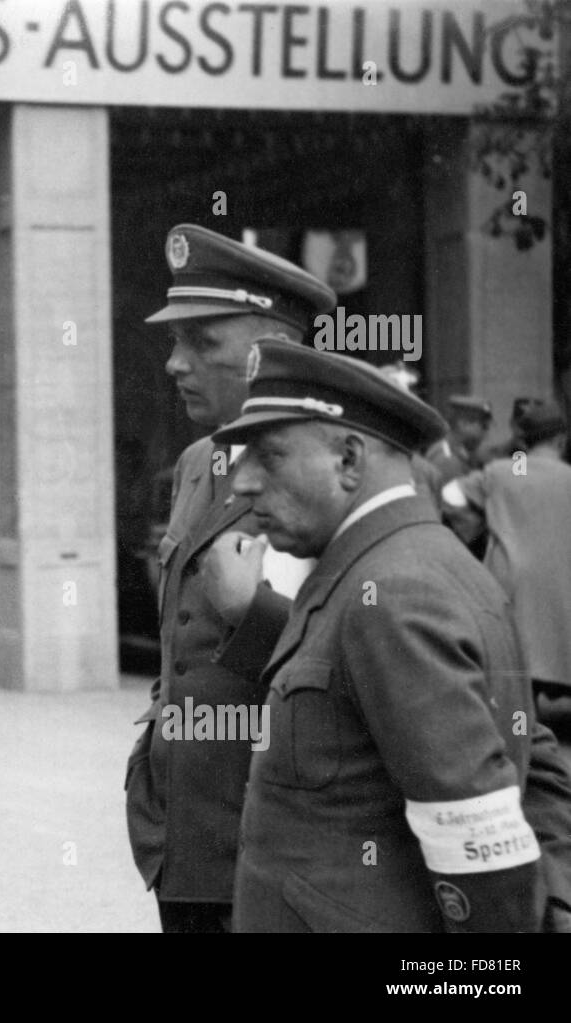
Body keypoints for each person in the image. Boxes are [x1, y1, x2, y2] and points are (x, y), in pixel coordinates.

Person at [217, 339, 569, 932]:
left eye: (269, 456)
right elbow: (533, 763)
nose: (242, 482)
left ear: (349, 460)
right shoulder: (401, 564)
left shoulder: (391, 590)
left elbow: (478, 842)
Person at [124, 223, 337, 932]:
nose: (175, 365)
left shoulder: (334, 473)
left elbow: (357, 662)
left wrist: (253, 613)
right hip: (183, 835)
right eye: (175, 342)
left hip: (273, 846)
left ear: (267, 353)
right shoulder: (196, 463)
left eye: (202, 342)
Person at [443, 403, 571, 706]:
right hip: (563, 584)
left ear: (524, 441)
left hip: (511, 581)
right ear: (560, 440)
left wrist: (477, 528)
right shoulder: (568, 476)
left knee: (516, 668)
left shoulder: (508, 469)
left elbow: (450, 495)